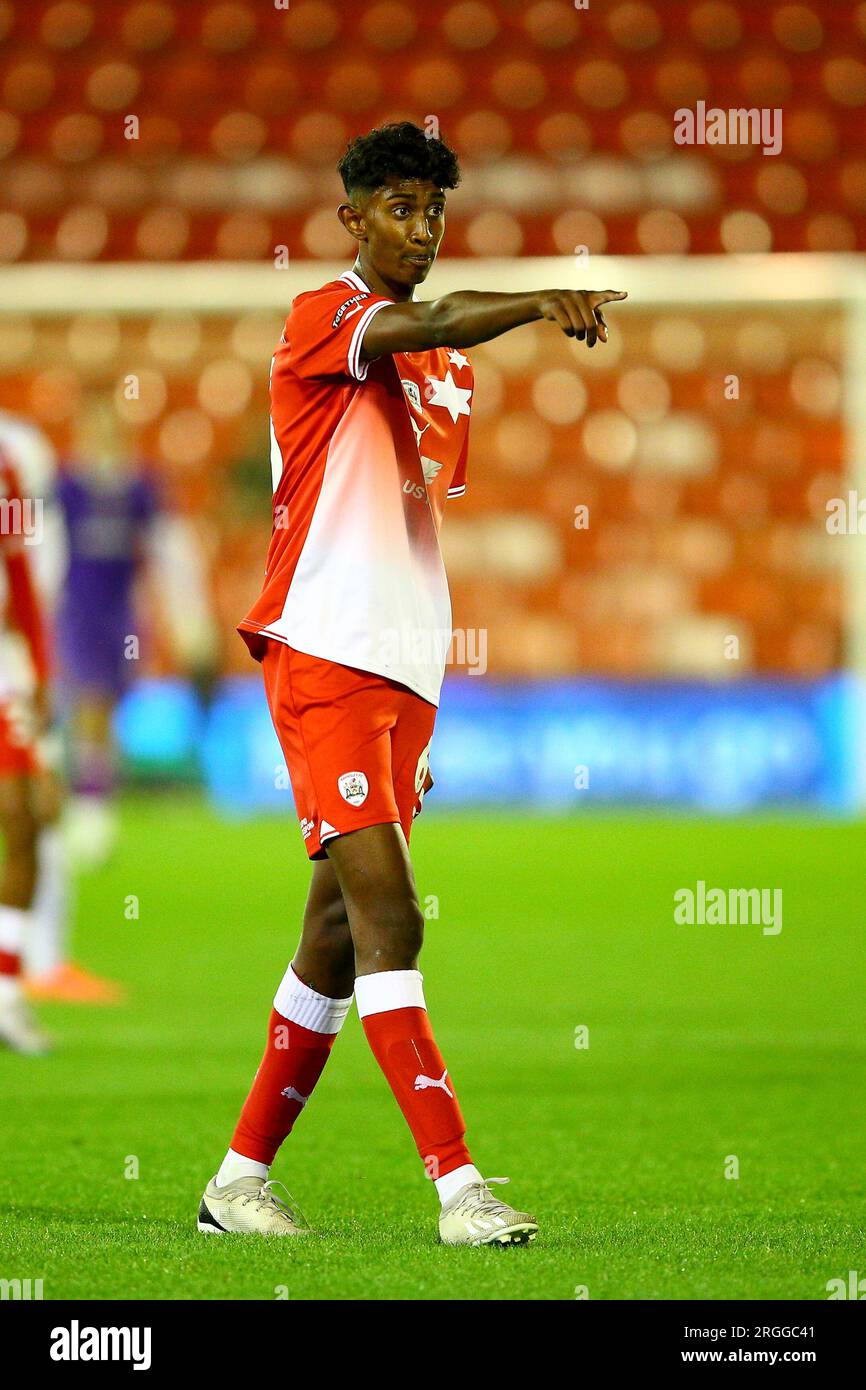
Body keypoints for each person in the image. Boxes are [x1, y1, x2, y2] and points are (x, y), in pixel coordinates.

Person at [199, 121, 626, 1245]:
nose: (418, 227)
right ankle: (457, 1188)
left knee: (335, 934)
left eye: (432, 210)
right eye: (396, 206)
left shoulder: (444, 366)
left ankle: (235, 1181)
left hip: (404, 670)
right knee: (393, 916)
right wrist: (539, 298)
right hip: (326, 654)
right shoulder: (324, 318)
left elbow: (421, 412)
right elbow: (422, 320)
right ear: (350, 218)